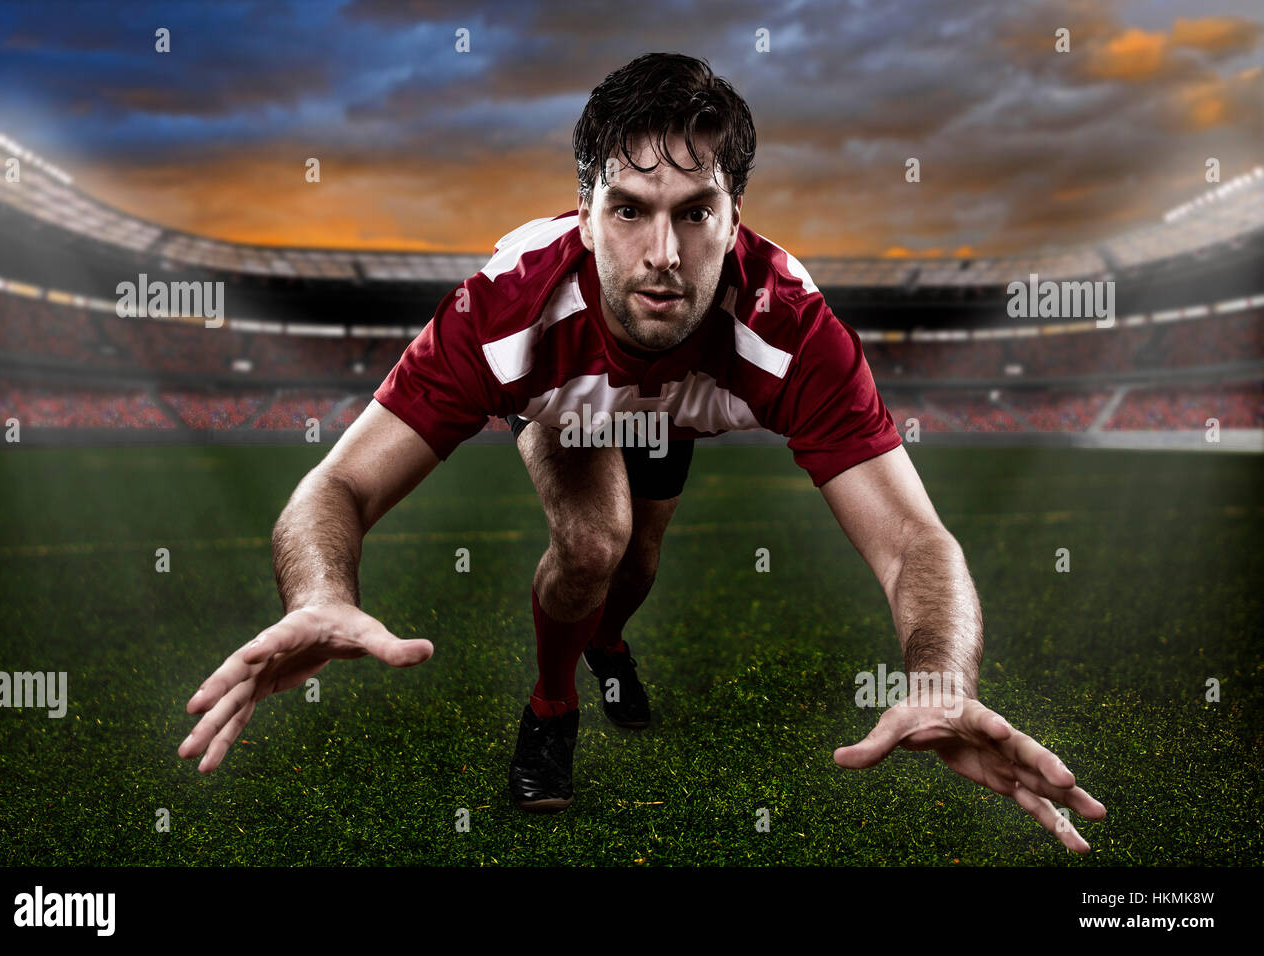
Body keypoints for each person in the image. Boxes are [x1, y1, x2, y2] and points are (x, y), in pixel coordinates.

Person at [179, 52, 1105, 852]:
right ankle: (552, 708)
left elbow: (915, 541)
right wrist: (320, 597)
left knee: (641, 555)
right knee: (595, 539)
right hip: (568, 410)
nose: (661, 252)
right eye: (628, 210)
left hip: (680, 413)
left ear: (735, 219)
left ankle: (610, 643)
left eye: (695, 212)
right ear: (582, 214)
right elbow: (338, 481)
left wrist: (941, 678)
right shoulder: (508, 308)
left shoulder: (790, 328)